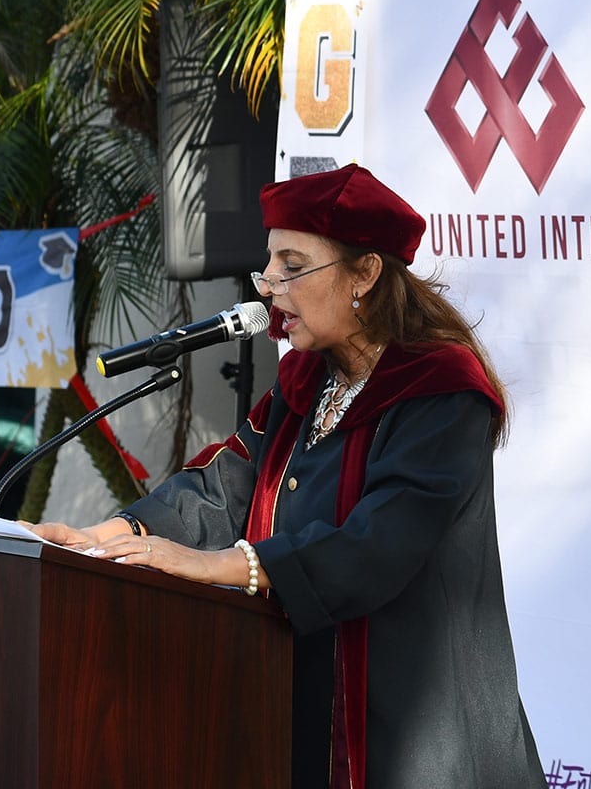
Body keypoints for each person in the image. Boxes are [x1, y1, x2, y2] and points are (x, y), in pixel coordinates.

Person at [31, 164, 542, 788]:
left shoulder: (440, 394)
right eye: (269, 265)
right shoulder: (307, 382)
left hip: (420, 736)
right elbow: (221, 490)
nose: (270, 287)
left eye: (294, 267)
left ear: (366, 274)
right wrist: (110, 535)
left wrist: (231, 565)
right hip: (297, 702)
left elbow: (380, 541)